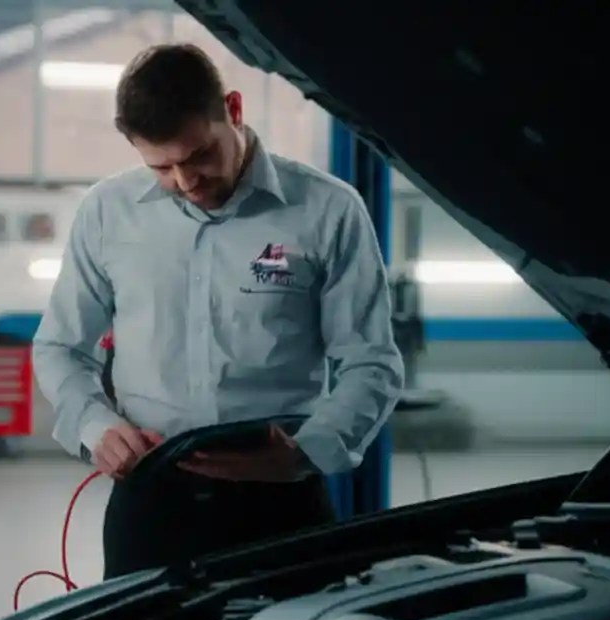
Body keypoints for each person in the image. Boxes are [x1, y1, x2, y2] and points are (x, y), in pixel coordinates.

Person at [31, 44, 404, 579]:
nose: (185, 182)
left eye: (199, 156)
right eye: (161, 167)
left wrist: (305, 452)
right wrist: (95, 425)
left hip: (281, 503)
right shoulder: (107, 214)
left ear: (233, 109)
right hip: (150, 503)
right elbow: (61, 348)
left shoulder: (327, 210)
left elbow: (372, 363)